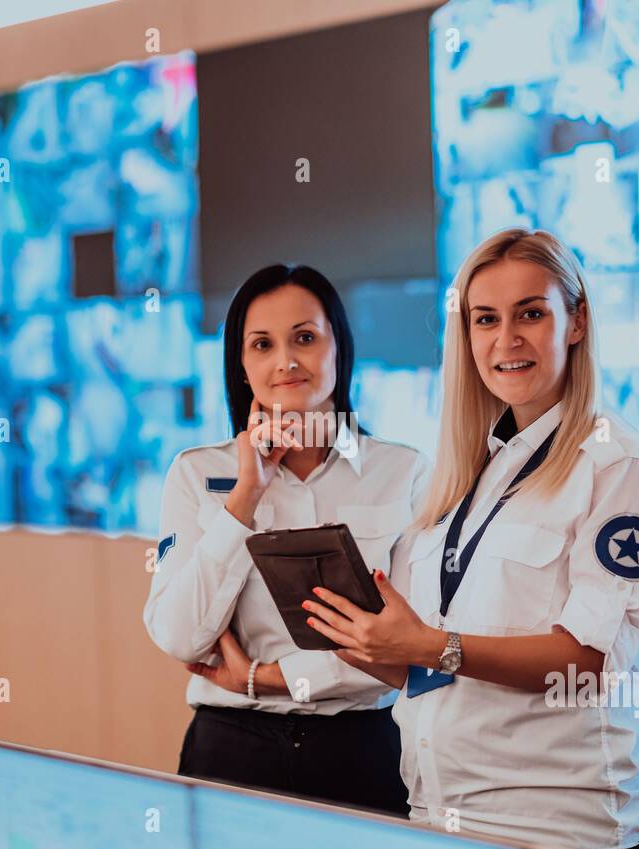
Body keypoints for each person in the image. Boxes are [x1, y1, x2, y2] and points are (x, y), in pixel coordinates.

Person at [299, 228, 639, 849]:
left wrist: (427, 645)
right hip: (439, 821)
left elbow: (589, 665)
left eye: (530, 314)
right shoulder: (467, 477)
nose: (506, 340)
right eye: (486, 319)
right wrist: (372, 642)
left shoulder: (621, 468)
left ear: (577, 321)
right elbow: (433, 671)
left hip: (558, 835)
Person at [143, 263, 428, 816]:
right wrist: (245, 495)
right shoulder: (194, 474)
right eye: (262, 344)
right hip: (230, 751)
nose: (286, 361)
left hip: (365, 748)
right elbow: (179, 637)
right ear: (241, 367)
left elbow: (412, 643)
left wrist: (264, 678)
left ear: (338, 348)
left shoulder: (406, 472)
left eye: (305, 337)